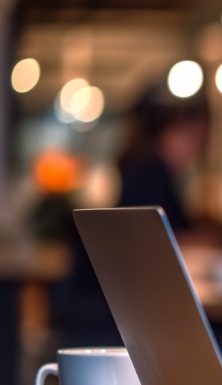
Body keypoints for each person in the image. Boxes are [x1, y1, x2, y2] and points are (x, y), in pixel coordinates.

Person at [51, 87, 209, 347]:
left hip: (106, 304)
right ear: (176, 131)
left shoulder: (141, 166)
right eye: (197, 139)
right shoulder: (151, 172)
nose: (197, 149)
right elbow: (169, 240)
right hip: (109, 313)